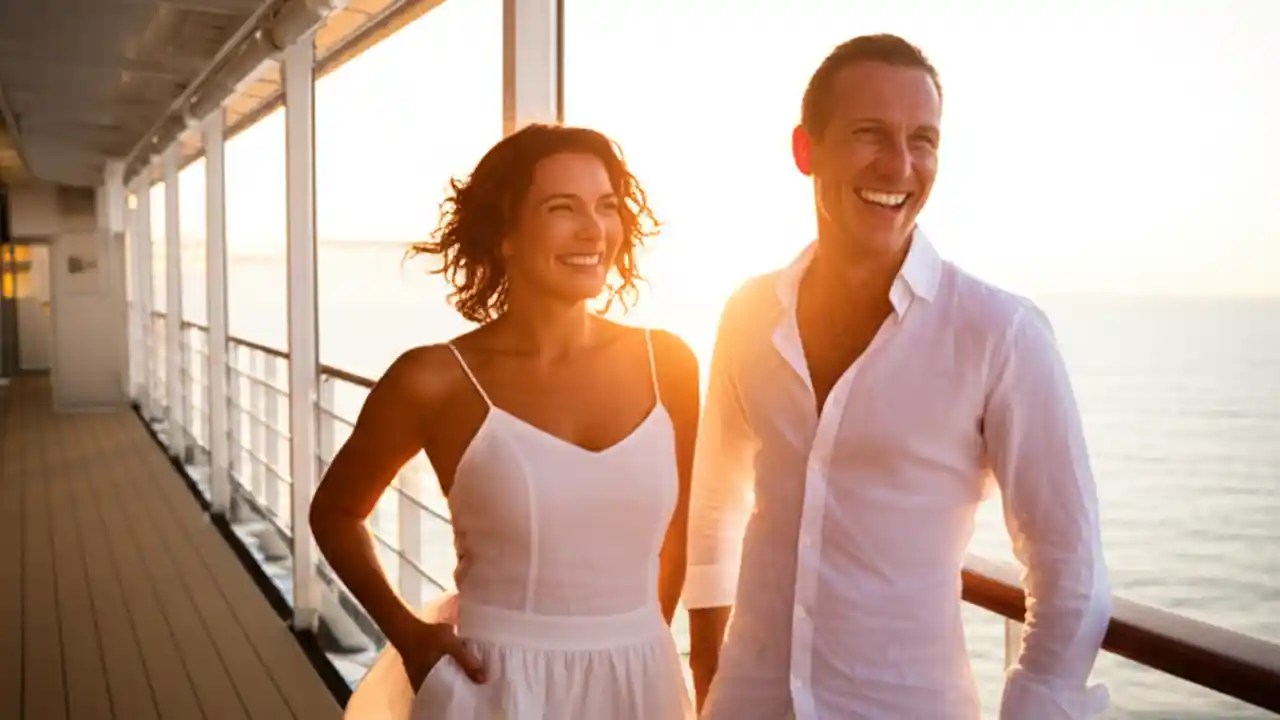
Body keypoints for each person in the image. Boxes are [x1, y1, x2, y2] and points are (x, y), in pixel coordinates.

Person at [684, 34, 1111, 719]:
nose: (901, 164)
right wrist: (711, 688)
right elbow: (714, 515)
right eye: (869, 134)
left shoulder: (1001, 335)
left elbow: (1072, 577)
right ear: (806, 150)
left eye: (924, 140)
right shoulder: (746, 314)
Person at [311, 123, 698, 720]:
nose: (594, 230)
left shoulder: (668, 363)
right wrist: (408, 634)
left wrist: (645, 641)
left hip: (640, 682)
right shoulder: (433, 380)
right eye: (562, 208)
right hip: (494, 688)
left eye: (606, 207)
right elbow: (336, 513)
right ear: (506, 234)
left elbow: (682, 530)